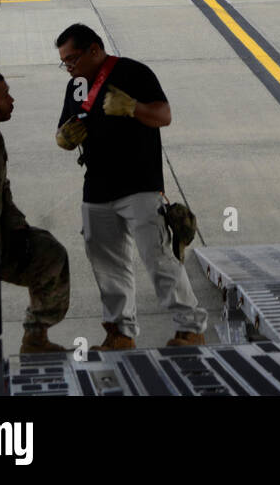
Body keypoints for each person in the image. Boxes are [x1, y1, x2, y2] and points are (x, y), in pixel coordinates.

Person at [54, 23, 207, 348]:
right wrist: (64, 138)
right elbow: (65, 128)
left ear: (95, 49)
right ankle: (120, 333)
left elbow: (163, 115)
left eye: (72, 59)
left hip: (140, 184)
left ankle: (190, 329)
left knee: (159, 259)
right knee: (107, 265)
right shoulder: (76, 86)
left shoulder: (134, 73)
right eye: (64, 62)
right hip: (96, 187)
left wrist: (133, 108)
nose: (69, 67)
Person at [0, 72, 71, 354]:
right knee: (49, 254)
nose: (11, 100)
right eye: (4, 95)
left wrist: (18, 228)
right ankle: (36, 337)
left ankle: (36, 338)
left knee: (48, 249)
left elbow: (2, 193)